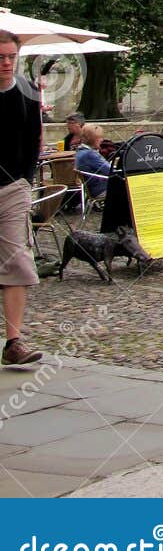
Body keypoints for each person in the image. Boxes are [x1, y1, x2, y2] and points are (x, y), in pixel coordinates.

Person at [0, 31, 42, 366]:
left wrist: (25, 179)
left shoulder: (27, 92)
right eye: (0, 57)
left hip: (13, 187)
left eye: (11, 57)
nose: (6, 63)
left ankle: (14, 342)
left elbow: (33, 140)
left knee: (16, 259)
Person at [74, 123, 113, 201]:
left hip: (92, 189)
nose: (102, 140)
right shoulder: (90, 154)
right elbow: (110, 171)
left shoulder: (80, 151)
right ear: (93, 139)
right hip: (101, 190)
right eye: (100, 137)